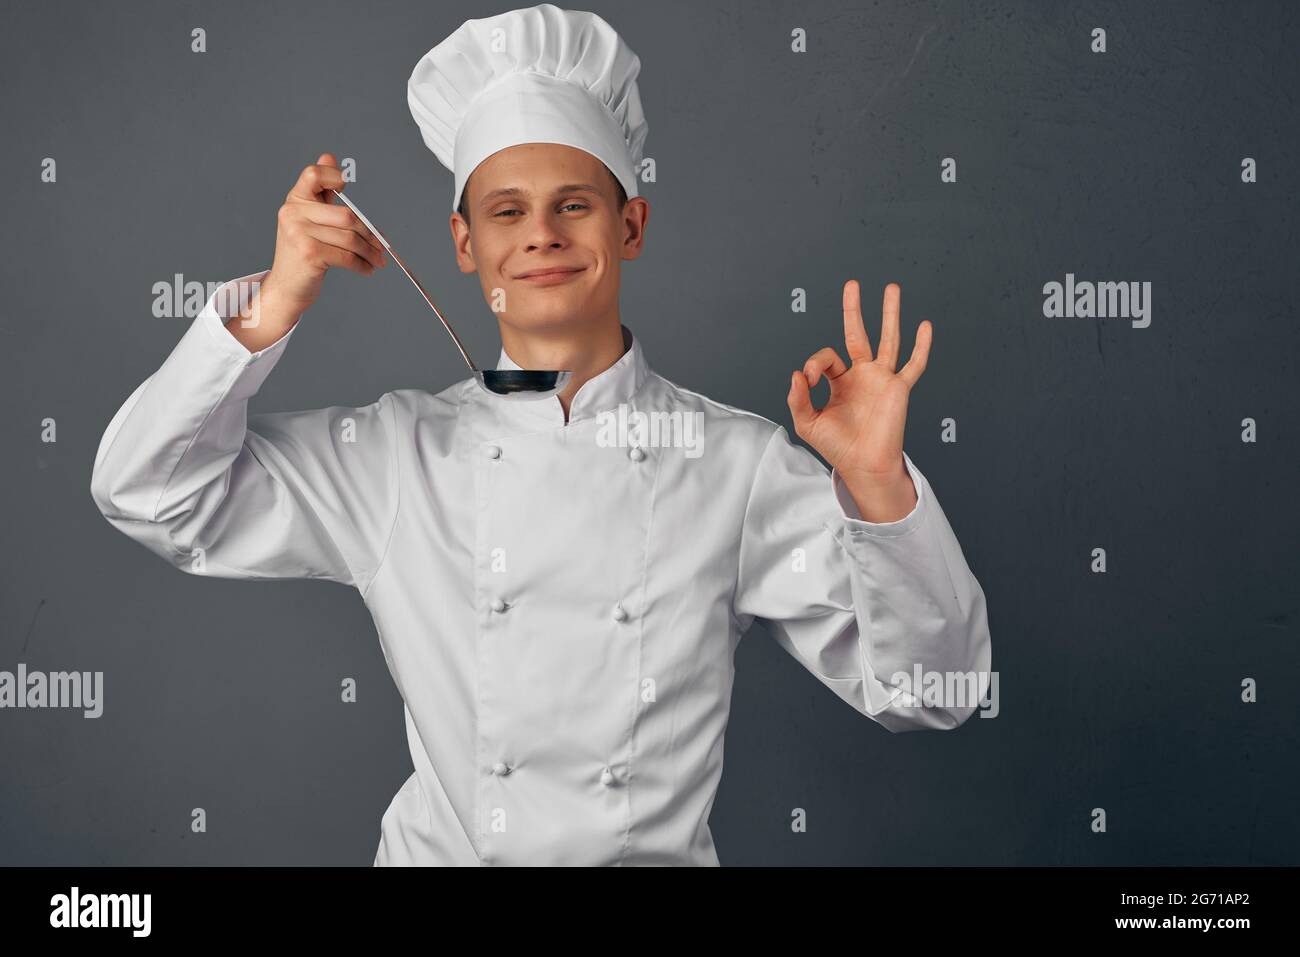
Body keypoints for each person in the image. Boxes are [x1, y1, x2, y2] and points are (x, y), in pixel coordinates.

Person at [90, 3, 991, 866]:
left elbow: (932, 692)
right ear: (462, 243)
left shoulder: (734, 464)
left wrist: (879, 486)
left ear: (630, 224)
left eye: (575, 204)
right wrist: (270, 306)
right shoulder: (399, 455)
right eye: (507, 211)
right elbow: (151, 491)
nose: (542, 236)